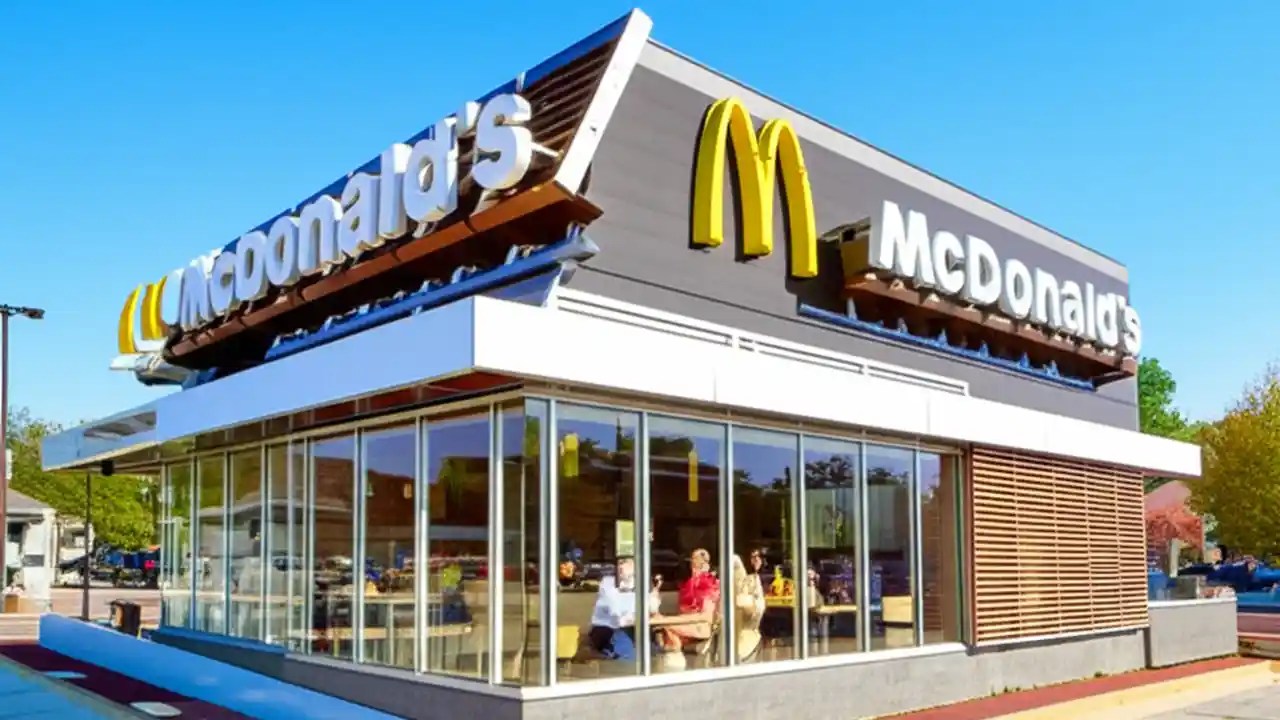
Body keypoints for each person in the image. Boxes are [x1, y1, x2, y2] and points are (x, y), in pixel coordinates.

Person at [588, 556, 659, 660]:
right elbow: (616, 611)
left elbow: (653, 608)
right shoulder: (608, 583)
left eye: (625, 563)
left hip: (633, 627)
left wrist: (654, 593)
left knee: (652, 647)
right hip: (608, 629)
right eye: (619, 563)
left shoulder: (643, 582)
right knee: (628, 647)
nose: (620, 566)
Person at [657, 548, 720, 651]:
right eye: (692, 562)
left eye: (695, 562)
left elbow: (705, 617)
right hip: (687, 624)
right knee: (668, 633)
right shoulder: (688, 585)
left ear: (705, 564)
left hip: (700, 626)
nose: (692, 565)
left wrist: (667, 620)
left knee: (667, 627)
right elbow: (683, 610)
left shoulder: (711, 585)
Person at [731, 554, 764, 661]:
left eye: (758, 557)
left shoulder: (755, 581)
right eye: (752, 557)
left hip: (747, 638)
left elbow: (754, 610)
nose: (755, 560)